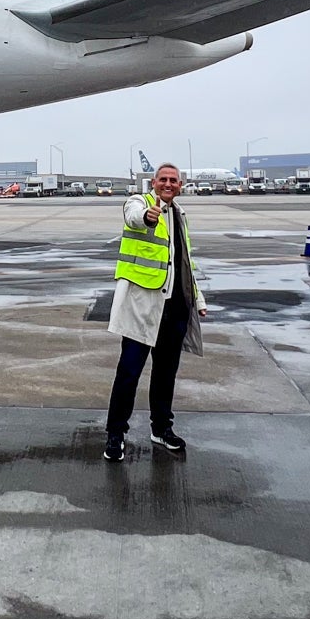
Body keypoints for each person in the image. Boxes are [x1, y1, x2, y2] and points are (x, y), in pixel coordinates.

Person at [103, 162, 207, 461]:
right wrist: (148, 218)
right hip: (144, 307)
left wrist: (197, 301)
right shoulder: (140, 203)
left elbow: (184, 262)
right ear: (153, 182)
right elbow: (134, 218)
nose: (169, 184)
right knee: (129, 373)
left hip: (174, 309)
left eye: (174, 180)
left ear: (180, 185)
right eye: (163, 179)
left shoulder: (180, 214)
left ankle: (161, 428)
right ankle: (115, 434)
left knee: (165, 375)